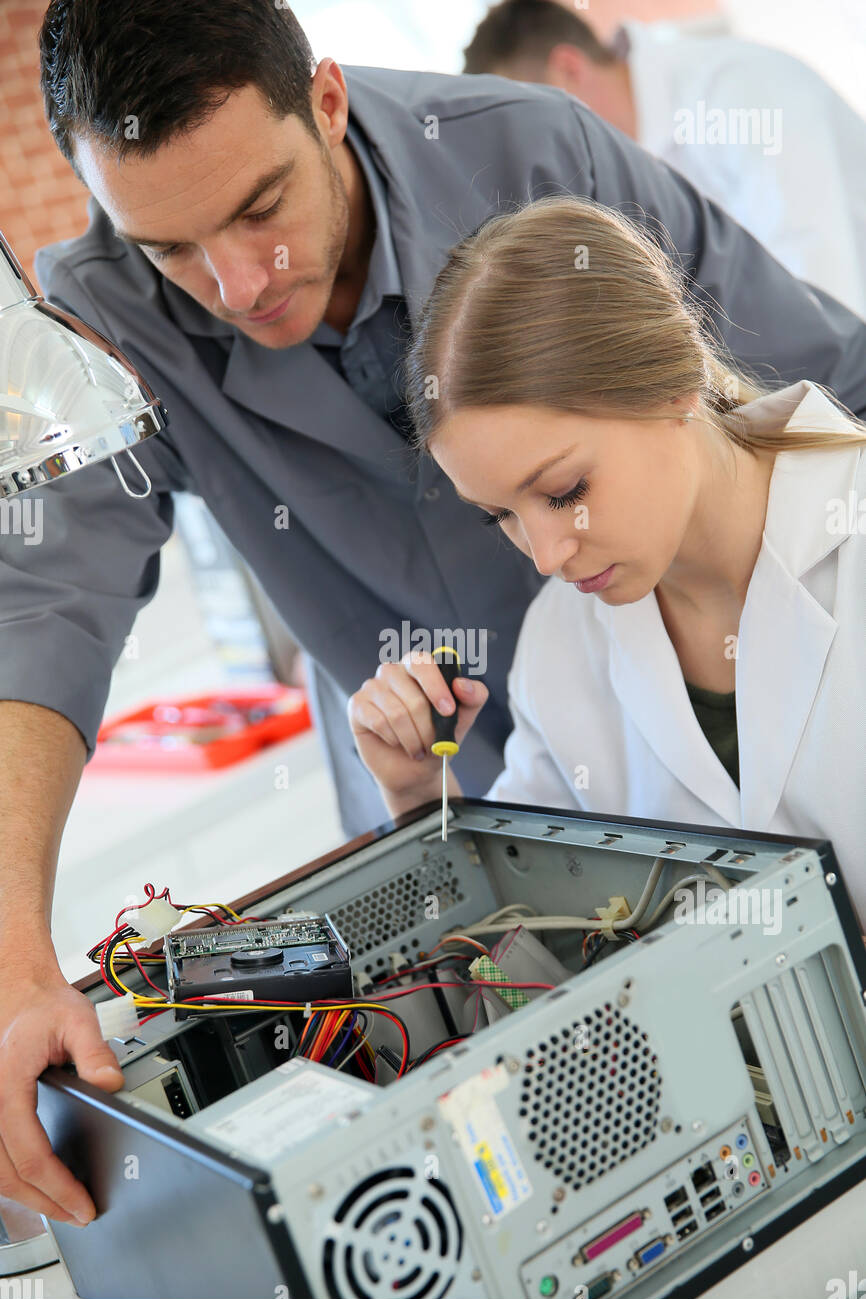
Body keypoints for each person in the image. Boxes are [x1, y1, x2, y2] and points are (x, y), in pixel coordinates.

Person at [2, 0, 866, 1230]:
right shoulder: (104, 309)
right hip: (473, 775)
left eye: (259, 209)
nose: (239, 284)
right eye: (172, 249)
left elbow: (816, 366)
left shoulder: (529, 153)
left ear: (329, 103)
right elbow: (46, 597)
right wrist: (8, 950)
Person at [348, 195, 866, 935]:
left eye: (564, 491)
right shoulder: (563, 641)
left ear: (674, 383)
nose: (549, 555)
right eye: (500, 516)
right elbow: (527, 946)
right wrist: (418, 796)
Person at [463, 1, 866, 316]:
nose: (540, 155)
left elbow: (819, 281)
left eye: (532, 127)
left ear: (568, 69)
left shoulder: (735, 89)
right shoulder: (622, 168)